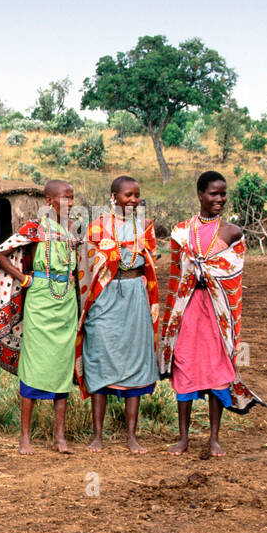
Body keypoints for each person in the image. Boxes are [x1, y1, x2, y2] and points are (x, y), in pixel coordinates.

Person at [159, 170, 264, 456]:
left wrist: (203, 268)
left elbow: (232, 271)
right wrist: (197, 270)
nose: (220, 199)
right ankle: (183, 438)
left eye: (223, 194)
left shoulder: (233, 233)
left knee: (217, 369)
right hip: (189, 309)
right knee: (186, 366)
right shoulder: (182, 232)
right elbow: (180, 272)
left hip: (218, 312)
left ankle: (214, 438)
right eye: (213, 194)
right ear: (200, 195)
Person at [0, 180, 79, 454]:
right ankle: (25, 438)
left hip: (66, 301)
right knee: (34, 363)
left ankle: (60, 437)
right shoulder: (35, 227)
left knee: (63, 365)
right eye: (66, 198)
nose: (71, 202)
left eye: (73, 197)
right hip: (41, 297)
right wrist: (24, 279)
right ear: (50, 200)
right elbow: (1, 254)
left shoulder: (73, 230)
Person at [75, 175, 159, 453]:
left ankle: (131, 436)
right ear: (113, 196)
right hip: (105, 296)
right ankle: (97, 436)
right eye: (127, 195)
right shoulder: (97, 227)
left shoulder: (145, 226)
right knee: (99, 358)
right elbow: (84, 264)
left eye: (137, 195)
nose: (133, 200)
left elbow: (151, 259)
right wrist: (109, 256)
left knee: (135, 360)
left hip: (135, 294)